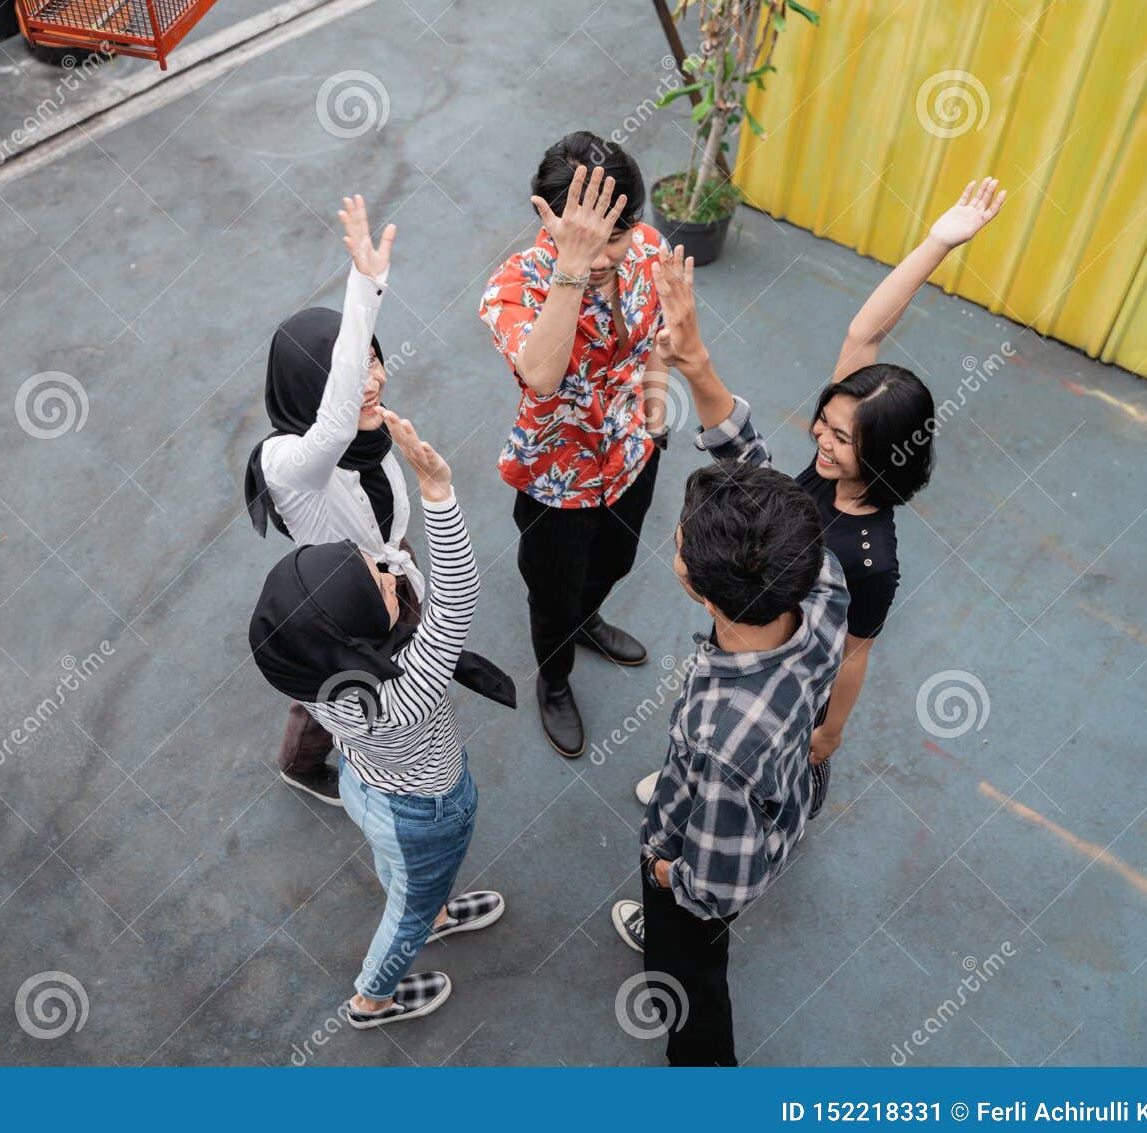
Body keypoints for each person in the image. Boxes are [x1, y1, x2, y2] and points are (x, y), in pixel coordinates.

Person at [634, 177, 1007, 816]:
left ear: (886, 453)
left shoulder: (871, 559)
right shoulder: (829, 471)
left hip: (787, 667)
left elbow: (853, 655)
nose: (820, 441)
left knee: (753, 751)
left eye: (840, 439)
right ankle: (689, 769)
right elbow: (864, 334)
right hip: (750, 618)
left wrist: (830, 732)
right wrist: (936, 245)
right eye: (824, 423)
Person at [250, 406, 514, 1027]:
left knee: (400, 870)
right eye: (380, 582)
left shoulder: (314, 669)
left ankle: (431, 904)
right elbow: (457, 596)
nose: (390, 567)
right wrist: (438, 489)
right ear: (358, 631)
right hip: (426, 809)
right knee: (407, 913)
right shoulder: (409, 687)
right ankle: (373, 996)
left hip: (366, 786)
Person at [608, 440, 849, 1065]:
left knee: (688, 977)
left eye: (680, 543)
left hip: (693, 866)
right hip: (785, 792)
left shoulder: (722, 737)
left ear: (704, 593)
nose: (678, 543)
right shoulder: (823, 584)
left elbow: (716, 886)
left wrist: (664, 875)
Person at [479, 132, 671, 759]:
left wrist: (656, 410)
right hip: (556, 479)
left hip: (632, 453)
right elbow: (541, 375)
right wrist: (573, 267)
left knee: (616, 562)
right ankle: (555, 677)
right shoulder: (515, 285)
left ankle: (587, 620)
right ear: (548, 219)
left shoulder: (647, 249)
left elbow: (660, 335)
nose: (605, 257)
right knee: (552, 593)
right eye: (586, 239)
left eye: (616, 238)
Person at [243, 195, 416, 806]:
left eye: (374, 359)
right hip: (340, 601)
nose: (372, 380)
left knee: (388, 671)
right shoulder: (289, 463)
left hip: (385, 563)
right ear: (311, 390)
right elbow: (335, 424)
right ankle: (302, 764)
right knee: (331, 692)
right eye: (350, 370)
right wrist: (365, 288)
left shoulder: (371, 432)